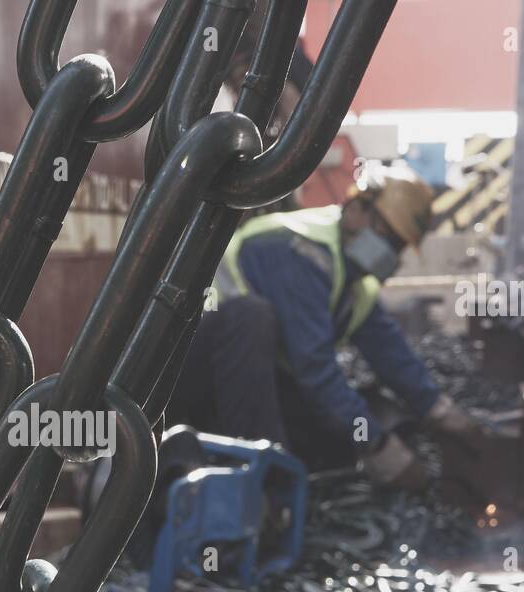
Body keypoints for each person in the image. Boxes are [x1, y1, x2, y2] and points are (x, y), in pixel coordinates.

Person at [168, 168, 479, 489]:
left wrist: (439, 411)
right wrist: (375, 444)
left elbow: (389, 351)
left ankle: (291, 483)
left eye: (398, 245)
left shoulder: (352, 280)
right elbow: (315, 371)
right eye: (386, 234)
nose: (389, 251)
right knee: (253, 318)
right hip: (179, 376)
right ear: (356, 210)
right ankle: (268, 486)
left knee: (333, 428)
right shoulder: (301, 252)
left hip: (238, 382)